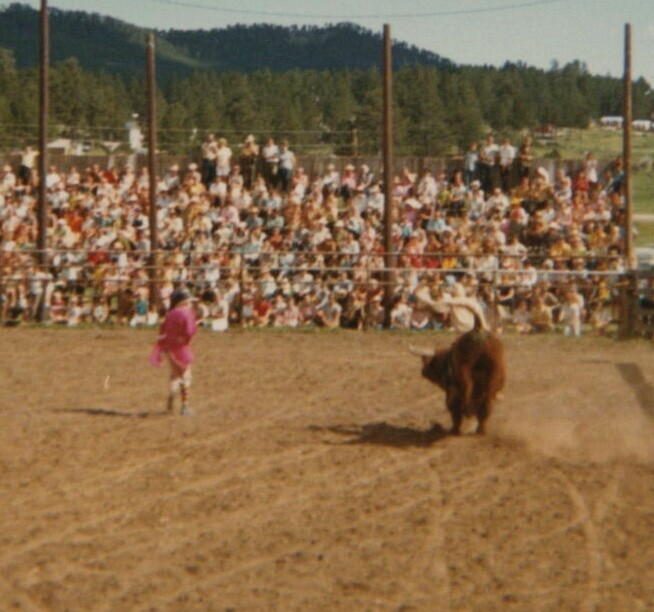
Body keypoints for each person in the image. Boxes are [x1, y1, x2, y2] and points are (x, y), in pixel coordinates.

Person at [149, 288, 198, 415]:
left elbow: (162, 332)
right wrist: (186, 340)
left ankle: (172, 393)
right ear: (182, 302)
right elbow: (189, 331)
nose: (190, 305)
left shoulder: (169, 315)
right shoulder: (186, 314)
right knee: (186, 375)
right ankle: (185, 405)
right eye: (188, 302)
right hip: (181, 348)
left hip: (169, 347)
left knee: (174, 375)